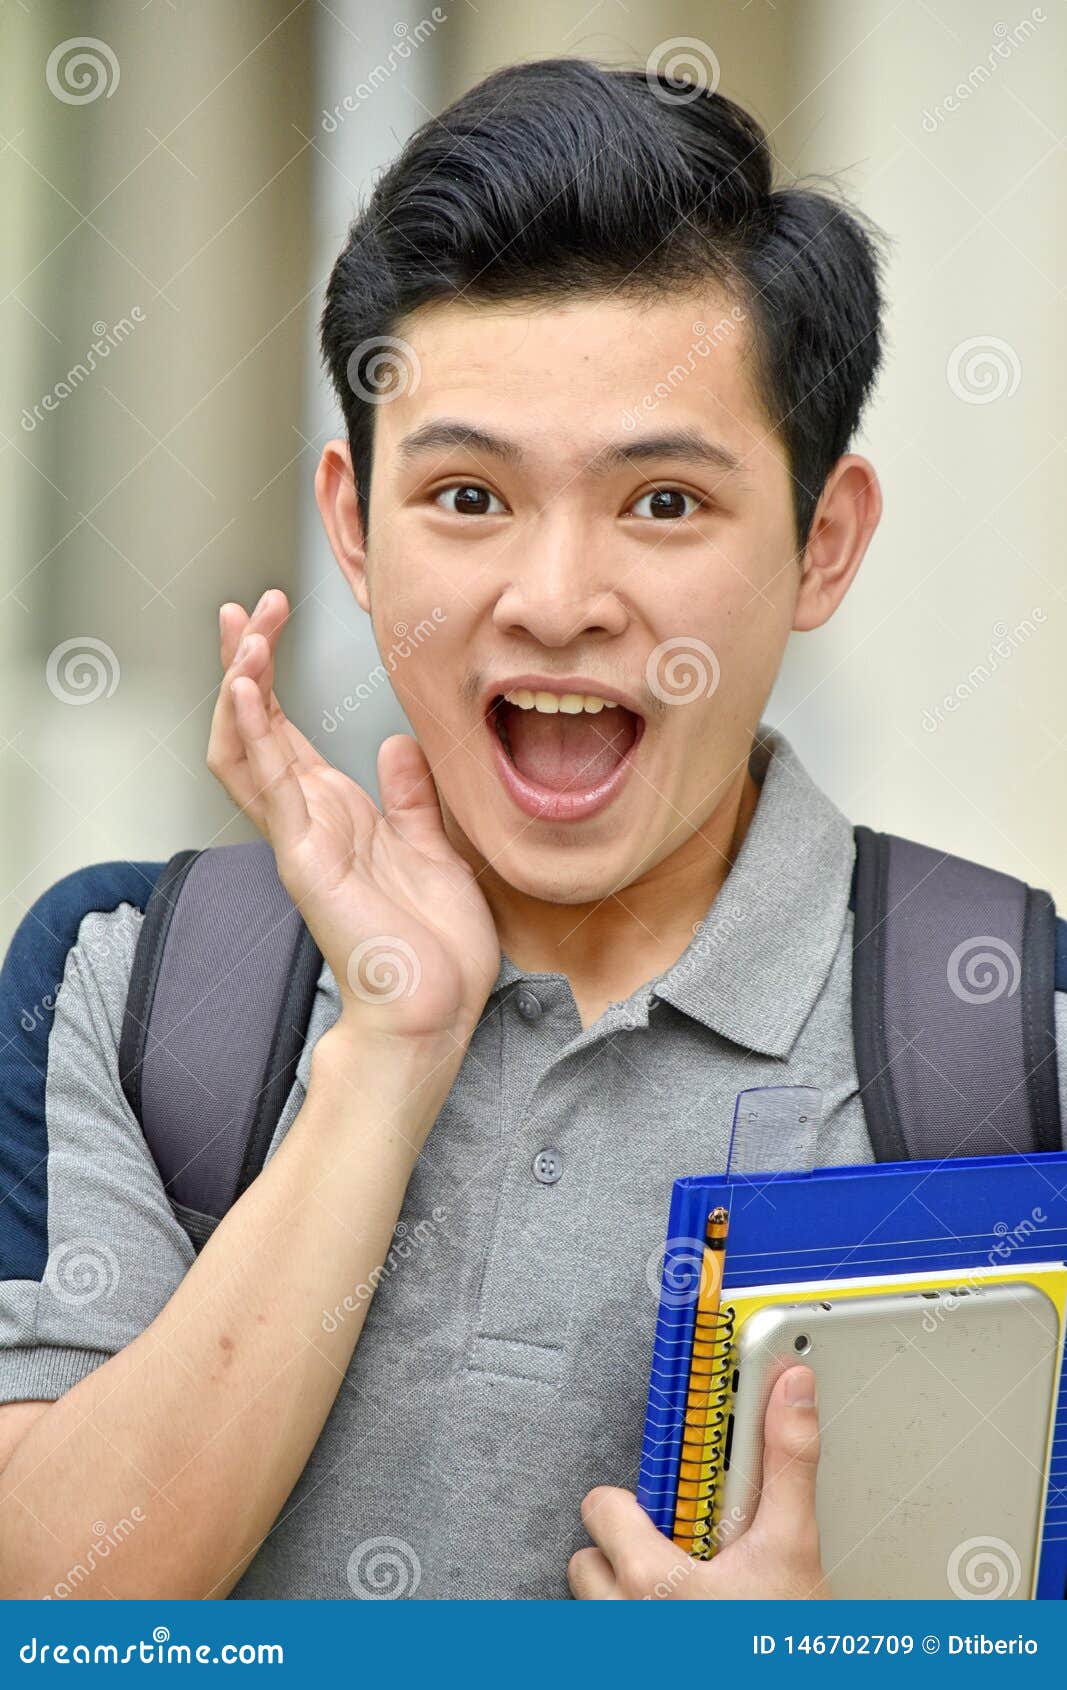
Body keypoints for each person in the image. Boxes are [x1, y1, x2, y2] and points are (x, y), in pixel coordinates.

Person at [1, 53, 928, 1600]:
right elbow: (53, 1613)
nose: (556, 602)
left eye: (664, 502)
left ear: (822, 543)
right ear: (353, 528)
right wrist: (390, 1047)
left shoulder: (1008, 1037)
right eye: (469, 497)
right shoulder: (122, 983)